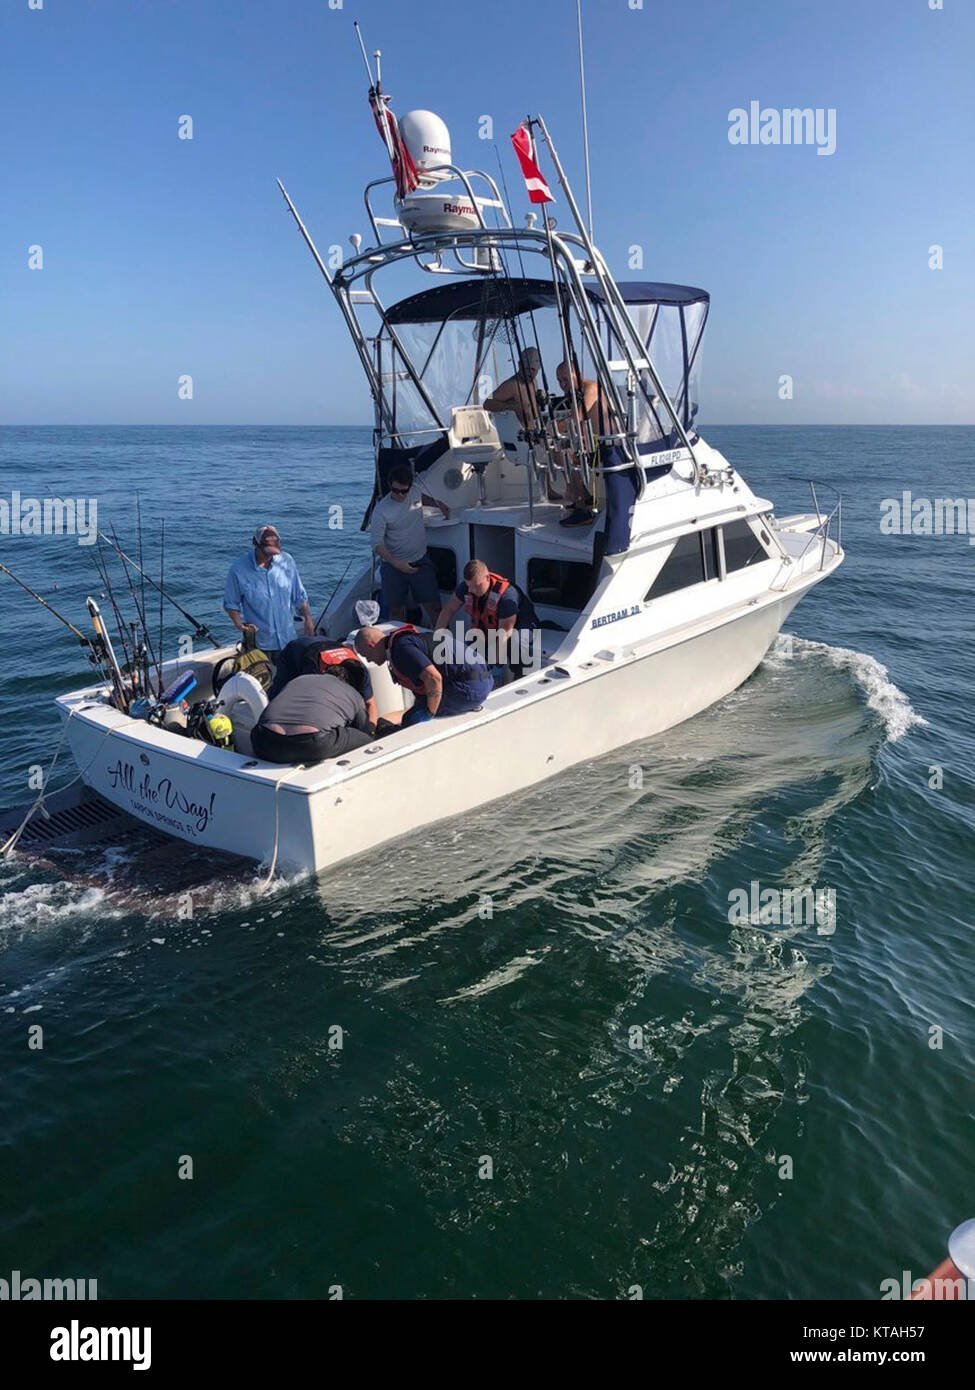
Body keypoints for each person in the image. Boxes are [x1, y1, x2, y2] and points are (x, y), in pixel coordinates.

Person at [354, 624, 493, 726]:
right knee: (413, 711)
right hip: (481, 678)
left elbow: (434, 678)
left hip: (471, 686)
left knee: (411, 721)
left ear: (371, 644)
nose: (368, 660)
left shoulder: (401, 649)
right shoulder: (403, 642)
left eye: (365, 655)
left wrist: (429, 713)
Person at [370, 466, 449, 626]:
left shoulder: (414, 492)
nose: (399, 495)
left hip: (420, 561)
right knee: (396, 611)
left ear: (410, 488)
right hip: (394, 566)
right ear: (389, 485)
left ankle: (444, 646)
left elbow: (420, 497)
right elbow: (377, 544)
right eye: (395, 490)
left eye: (403, 491)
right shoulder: (381, 510)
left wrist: (439, 504)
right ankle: (398, 643)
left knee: (434, 607)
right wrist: (397, 563)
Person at [435, 558, 539, 679]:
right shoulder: (467, 588)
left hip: (517, 627)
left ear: (487, 578)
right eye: (469, 586)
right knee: (467, 654)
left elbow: (505, 633)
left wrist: (496, 663)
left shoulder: (507, 597)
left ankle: (520, 677)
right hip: (491, 625)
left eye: (477, 586)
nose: (472, 590)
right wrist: (437, 638)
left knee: (517, 643)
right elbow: (449, 610)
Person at [224, 524, 314, 662]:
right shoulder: (238, 569)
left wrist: (308, 619)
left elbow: (299, 594)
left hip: (287, 639)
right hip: (260, 644)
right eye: (267, 551)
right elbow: (231, 603)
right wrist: (239, 624)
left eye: (274, 552)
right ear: (256, 544)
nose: (270, 556)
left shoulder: (287, 561)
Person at [251, 673, 374, 765]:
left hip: (263, 741)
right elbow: (364, 730)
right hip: (313, 744)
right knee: (369, 743)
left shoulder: (300, 679)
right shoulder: (353, 692)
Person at [552, 360, 615, 528]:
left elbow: (575, 419)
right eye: (559, 381)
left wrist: (552, 428)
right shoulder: (577, 393)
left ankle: (582, 508)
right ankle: (584, 496)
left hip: (606, 445)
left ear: (578, 374)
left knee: (562, 455)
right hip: (592, 443)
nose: (562, 385)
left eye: (565, 379)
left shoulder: (591, 389)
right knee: (561, 449)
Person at [267, 635, 380, 728]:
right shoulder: (314, 670)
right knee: (281, 693)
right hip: (297, 652)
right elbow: (313, 705)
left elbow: (370, 704)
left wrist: (371, 731)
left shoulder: (362, 673)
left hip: (328, 644)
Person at [483, 347, 543, 428]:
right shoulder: (511, 385)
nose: (530, 372)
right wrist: (511, 406)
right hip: (519, 435)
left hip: (535, 430)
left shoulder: (534, 381)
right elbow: (487, 404)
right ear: (519, 365)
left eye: (533, 369)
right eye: (527, 368)